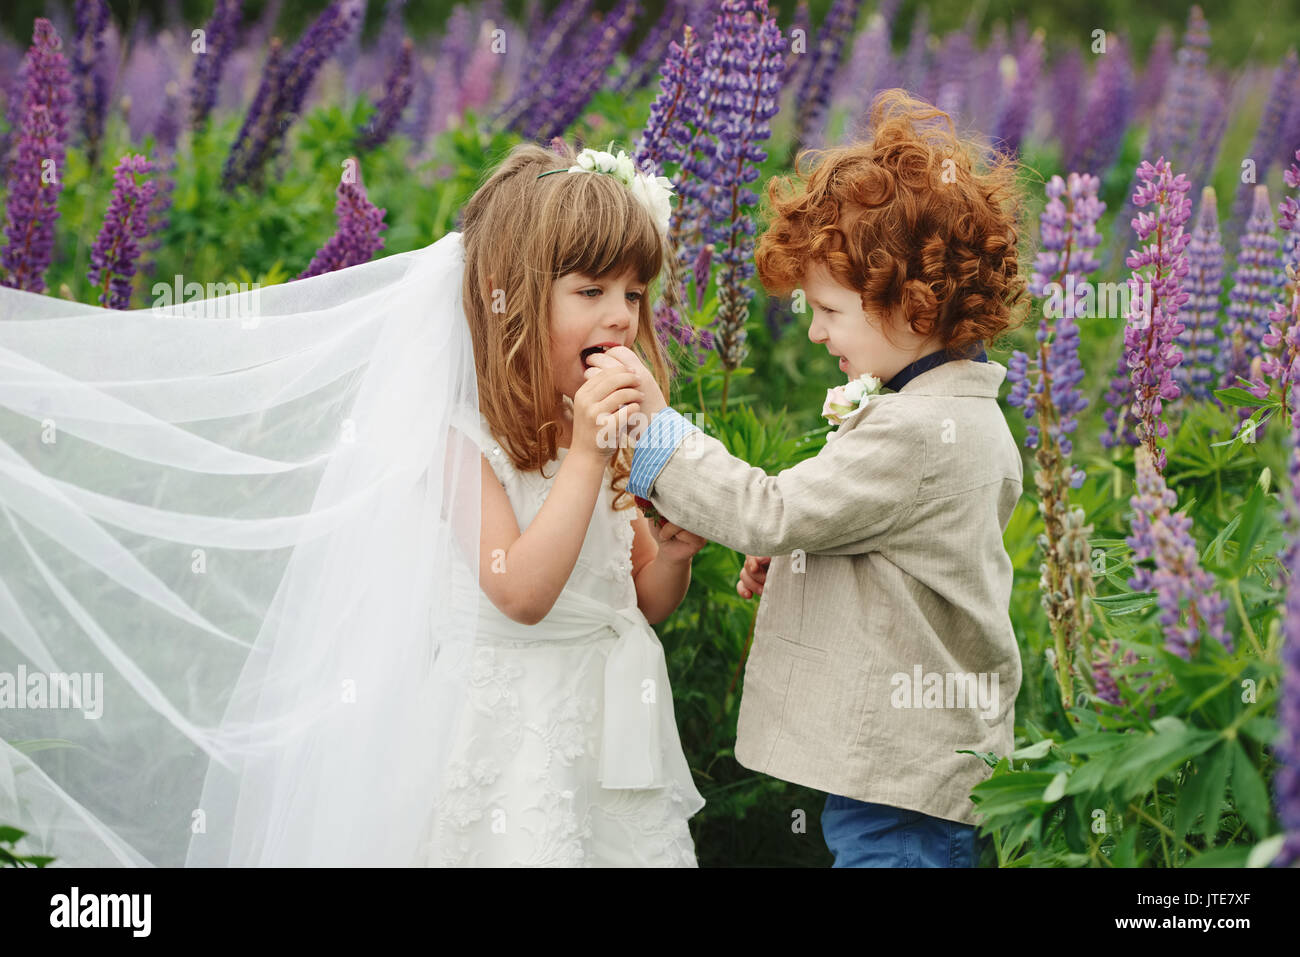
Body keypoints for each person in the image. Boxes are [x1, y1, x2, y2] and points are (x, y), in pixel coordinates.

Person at [0, 139, 706, 866]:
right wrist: (587, 456)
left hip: (613, 745)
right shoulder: (464, 443)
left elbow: (639, 598)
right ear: (510, 299)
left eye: (634, 294)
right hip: (516, 742)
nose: (621, 316)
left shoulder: (602, 433)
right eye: (592, 292)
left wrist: (673, 550)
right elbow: (521, 591)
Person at [589, 89, 1027, 867]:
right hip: (919, 775)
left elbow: (771, 509)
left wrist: (656, 428)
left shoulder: (917, 429)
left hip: (900, 783)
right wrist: (803, 557)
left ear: (913, 304)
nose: (817, 329)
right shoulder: (954, 410)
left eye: (829, 309)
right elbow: (885, 542)